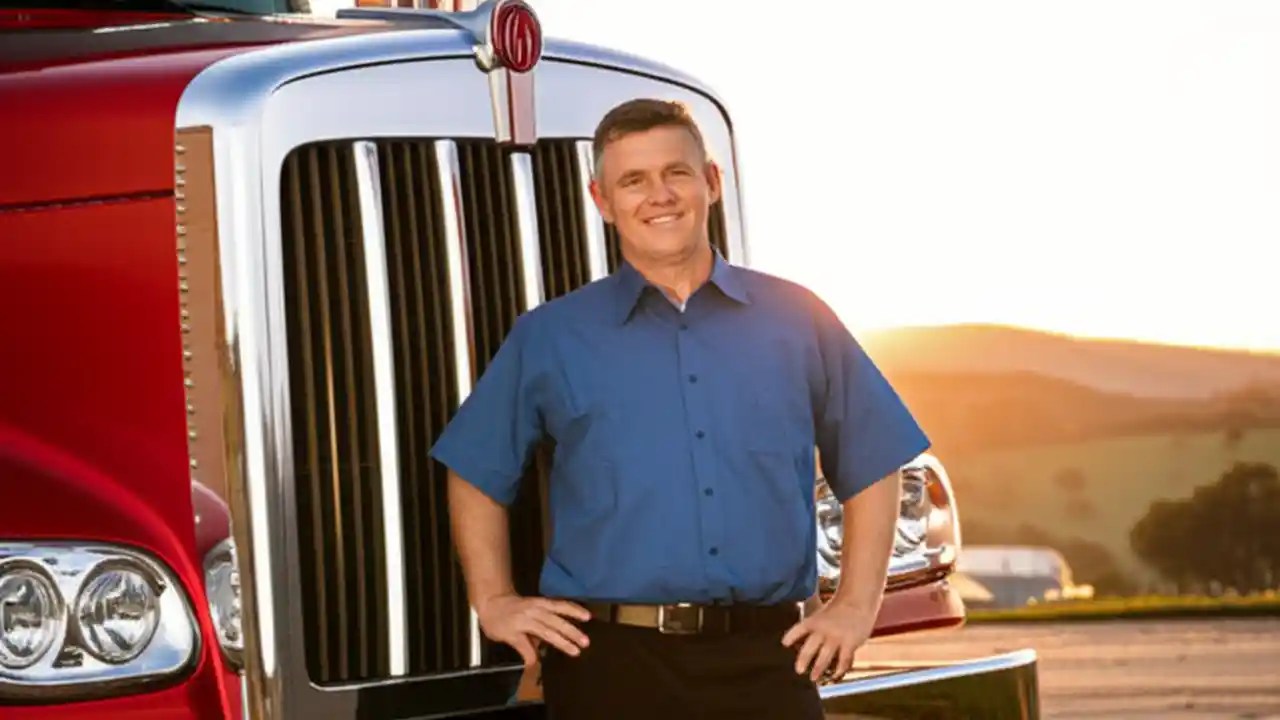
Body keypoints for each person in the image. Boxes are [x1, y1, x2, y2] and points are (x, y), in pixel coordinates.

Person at [429, 98, 930, 719]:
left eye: (677, 173)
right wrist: (494, 598)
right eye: (632, 181)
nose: (658, 195)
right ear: (602, 201)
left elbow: (875, 458)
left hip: (769, 662)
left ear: (711, 183)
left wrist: (856, 604)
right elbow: (475, 467)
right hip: (610, 669)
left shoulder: (798, 317)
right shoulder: (551, 336)